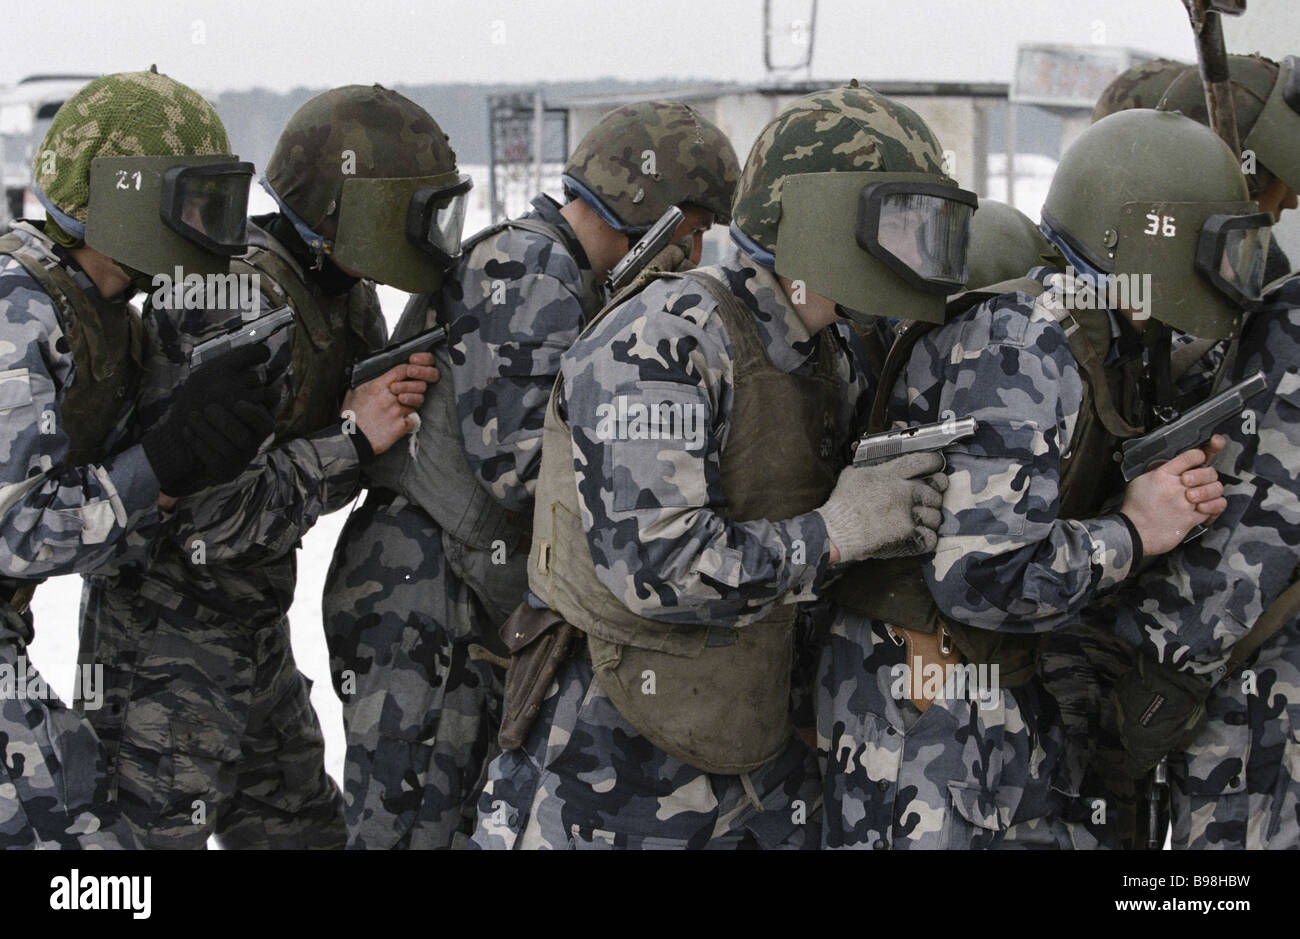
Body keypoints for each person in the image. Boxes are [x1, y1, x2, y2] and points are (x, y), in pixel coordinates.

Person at [471, 82, 953, 850]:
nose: (918, 251)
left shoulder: (830, 348)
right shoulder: (664, 342)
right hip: (608, 762)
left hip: (750, 742)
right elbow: (659, 563)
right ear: (823, 224)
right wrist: (835, 533)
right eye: (899, 223)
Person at [819, 108, 1249, 849]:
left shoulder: (1101, 339)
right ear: (1142, 238)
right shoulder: (1026, 341)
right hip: (927, 715)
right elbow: (980, 577)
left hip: (986, 701)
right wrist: (1135, 531)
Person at [322, 99, 739, 848]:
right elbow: (520, 468)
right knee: (409, 821)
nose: (697, 255)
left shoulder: (562, 271)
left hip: (448, 588)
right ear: (643, 207)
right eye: (692, 229)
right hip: (420, 593)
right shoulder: (534, 267)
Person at [78, 85, 450, 849]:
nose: (431, 233)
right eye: (418, 211)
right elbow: (208, 516)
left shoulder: (342, 296)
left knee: (303, 833)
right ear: (353, 211)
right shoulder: (240, 299)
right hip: (164, 641)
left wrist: (362, 420)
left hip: (252, 626)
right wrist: (349, 439)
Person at [0, 68, 275, 849]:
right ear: (121, 200)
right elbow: (16, 531)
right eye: (191, 201)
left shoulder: (102, 310)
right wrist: (158, 463)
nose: (208, 226)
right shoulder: (17, 308)